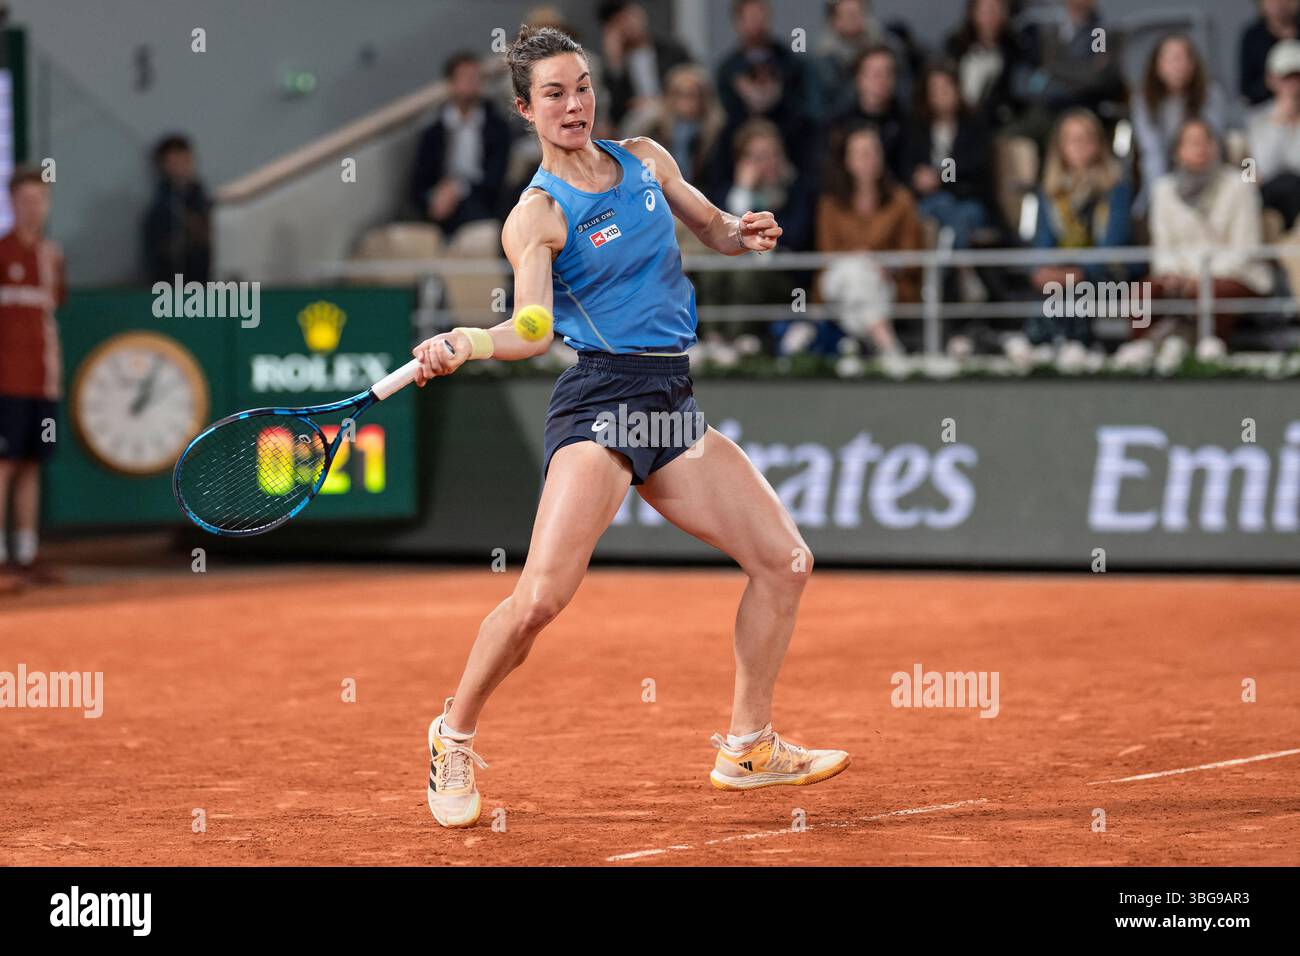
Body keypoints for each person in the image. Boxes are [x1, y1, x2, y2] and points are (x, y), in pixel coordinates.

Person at [410, 25, 850, 829]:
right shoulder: (536, 216)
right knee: (541, 599)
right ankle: (452, 733)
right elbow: (534, 329)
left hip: (671, 399)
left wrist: (739, 231)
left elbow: (710, 228)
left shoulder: (647, 157)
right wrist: (466, 341)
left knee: (785, 561)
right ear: (524, 109)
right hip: (601, 403)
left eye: (580, 87)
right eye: (553, 94)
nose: (573, 104)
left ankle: (748, 745)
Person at [1143, 119, 1270, 343]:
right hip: (1181, 275)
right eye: (1192, 142)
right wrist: (1175, 273)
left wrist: (1200, 276)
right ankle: (1140, 348)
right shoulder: (1162, 190)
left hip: (1234, 274)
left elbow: (1245, 249)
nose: (1200, 148)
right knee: (1142, 292)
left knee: (1208, 293)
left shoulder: (1240, 186)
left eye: (1206, 141)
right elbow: (1162, 245)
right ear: (1178, 150)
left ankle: (1208, 348)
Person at [0, 167, 65, 591]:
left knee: (32, 465)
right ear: (11, 203)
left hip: (43, 384)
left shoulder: (53, 257)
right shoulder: (0, 253)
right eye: (24, 200)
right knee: (2, 466)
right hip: (4, 383)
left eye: (38, 200)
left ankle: (26, 554)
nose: (31, 208)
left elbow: (52, 314)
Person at [812, 123, 925, 355]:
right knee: (855, 272)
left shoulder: (900, 200)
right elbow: (827, 256)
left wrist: (887, 266)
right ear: (847, 161)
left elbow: (912, 254)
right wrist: (863, 260)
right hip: (838, 280)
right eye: (861, 153)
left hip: (885, 280)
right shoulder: (830, 203)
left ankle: (862, 343)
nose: (869, 159)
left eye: (874, 152)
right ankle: (886, 344)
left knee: (862, 279)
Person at [1026, 108, 1133, 345]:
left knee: (1073, 292)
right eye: (1072, 140)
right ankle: (1045, 349)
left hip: (1103, 276)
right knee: (1049, 291)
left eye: (1086, 138)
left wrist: (1079, 273)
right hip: (1061, 275)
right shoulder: (1050, 194)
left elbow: (1112, 244)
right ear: (1060, 147)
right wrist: (1041, 270)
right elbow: (1042, 242)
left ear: (1098, 144)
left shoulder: (1116, 189)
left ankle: (1076, 346)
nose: (1079, 145)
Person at [409, 52, 512, 236]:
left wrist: (458, 189)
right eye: (465, 77)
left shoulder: (497, 128)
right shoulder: (433, 132)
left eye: (475, 78)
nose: (472, 83)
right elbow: (418, 182)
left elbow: (496, 178)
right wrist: (437, 195)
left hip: (481, 199)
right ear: (451, 83)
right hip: (439, 200)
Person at [1131, 34, 1232, 217]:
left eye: (1184, 57)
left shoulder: (1211, 94)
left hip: (1205, 171)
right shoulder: (1143, 99)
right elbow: (1152, 151)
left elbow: (1213, 142)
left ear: (1193, 64)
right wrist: (1160, 197)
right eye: (1171, 59)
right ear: (1157, 65)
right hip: (1164, 175)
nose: (1178, 65)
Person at [597, 0, 692, 130]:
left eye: (629, 16)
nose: (628, 24)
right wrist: (615, 63)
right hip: (638, 122)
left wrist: (660, 101)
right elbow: (616, 113)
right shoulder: (618, 66)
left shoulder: (671, 50)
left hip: (673, 111)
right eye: (619, 21)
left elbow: (693, 83)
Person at [943, 0, 1032, 130]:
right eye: (985, 10)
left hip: (997, 120)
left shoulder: (1015, 47)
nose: (990, 16)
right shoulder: (956, 45)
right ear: (973, 12)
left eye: (996, 9)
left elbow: (1016, 92)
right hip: (959, 116)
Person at [830, 45, 909, 180]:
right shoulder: (839, 123)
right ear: (859, 78)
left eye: (888, 73)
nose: (882, 80)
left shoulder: (908, 121)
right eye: (875, 73)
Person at [142, 134, 210, 284]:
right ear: (164, 166)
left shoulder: (205, 205)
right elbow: (155, 256)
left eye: (185, 160)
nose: (181, 167)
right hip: (170, 289)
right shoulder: (159, 212)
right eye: (175, 162)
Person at [1246, 40, 1300, 230]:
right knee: (1288, 183)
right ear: (1271, 79)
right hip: (1272, 198)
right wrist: (1279, 123)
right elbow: (1256, 171)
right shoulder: (1254, 120)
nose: (1292, 84)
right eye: (1286, 77)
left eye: (1297, 76)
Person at [1240, 0, 1300, 106]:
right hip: (1266, 108)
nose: (1280, 4)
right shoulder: (1253, 37)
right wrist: (1269, 84)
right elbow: (1246, 89)